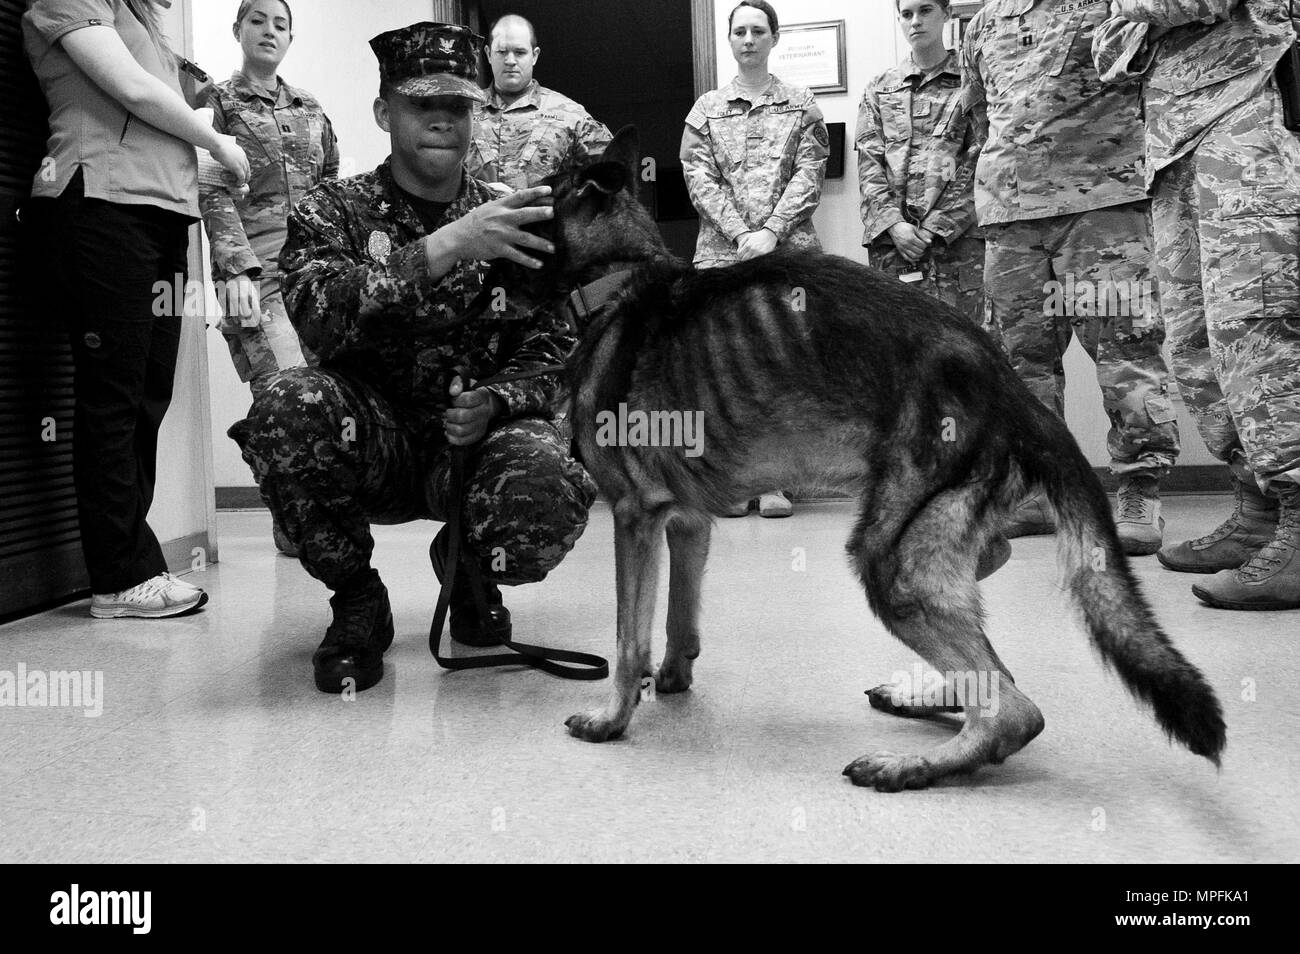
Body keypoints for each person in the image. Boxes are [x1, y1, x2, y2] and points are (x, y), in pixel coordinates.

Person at [229, 22, 596, 693]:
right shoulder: (334, 211)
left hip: (474, 444)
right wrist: (444, 247)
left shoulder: (515, 219)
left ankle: (470, 568)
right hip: (375, 440)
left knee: (548, 472)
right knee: (285, 403)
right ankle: (359, 603)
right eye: (421, 103)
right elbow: (319, 317)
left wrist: (498, 401)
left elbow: (556, 355)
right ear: (383, 112)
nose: (441, 120)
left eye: (457, 106)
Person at [21, 0, 249, 619]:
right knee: (113, 395)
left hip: (164, 214)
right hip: (99, 202)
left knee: (149, 395)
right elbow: (128, 87)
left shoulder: (147, 22)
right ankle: (119, 576)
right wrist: (217, 140)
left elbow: (160, 112)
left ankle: (131, 566)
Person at [1094, 0, 1300, 609]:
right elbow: (1110, 49)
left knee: (1257, 326)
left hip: (1248, 118)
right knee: (1197, 339)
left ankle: (1299, 526)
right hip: (1176, 140)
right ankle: (1258, 515)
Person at [962, 0, 1181, 556]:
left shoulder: (1109, 3)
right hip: (1011, 215)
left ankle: (1138, 488)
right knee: (1019, 361)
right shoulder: (986, 22)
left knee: (1124, 348)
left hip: (1101, 202)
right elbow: (983, 113)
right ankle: (1039, 489)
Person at [199, 0, 338, 556]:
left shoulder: (310, 107)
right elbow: (210, 186)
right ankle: (293, 517)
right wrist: (234, 268)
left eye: (280, 24)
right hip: (255, 272)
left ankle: (322, 514)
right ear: (238, 30)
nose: (269, 31)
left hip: (315, 273)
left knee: (326, 393)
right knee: (282, 393)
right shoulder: (217, 103)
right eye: (258, 20)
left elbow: (332, 186)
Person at [681, 0, 829, 518]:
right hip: (721, 259)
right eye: (739, 31)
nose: (748, 39)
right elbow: (698, 179)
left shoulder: (801, 102)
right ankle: (732, 479)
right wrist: (742, 232)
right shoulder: (705, 110)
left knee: (785, 368)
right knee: (723, 371)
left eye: (758, 30)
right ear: (729, 39)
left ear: (773, 37)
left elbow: (810, 173)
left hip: (788, 258)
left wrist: (769, 232)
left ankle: (776, 484)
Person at [858, 0, 984, 328]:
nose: (915, 21)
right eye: (907, 14)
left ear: (947, 13)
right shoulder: (880, 88)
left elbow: (979, 158)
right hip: (893, 246)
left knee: (965, 349)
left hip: (957, 244)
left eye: (925, 10)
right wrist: (894, 225)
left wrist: (935, 227)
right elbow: (869, 163)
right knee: (899, 352)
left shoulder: (970, 80)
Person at [467, 13, 611, 190]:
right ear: (488, 54)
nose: (510, 61)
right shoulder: (464, 110)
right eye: (502, 52)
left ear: (534, 56)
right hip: (477, 217)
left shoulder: (571, 116)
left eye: (520, 52)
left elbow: (611, 177)